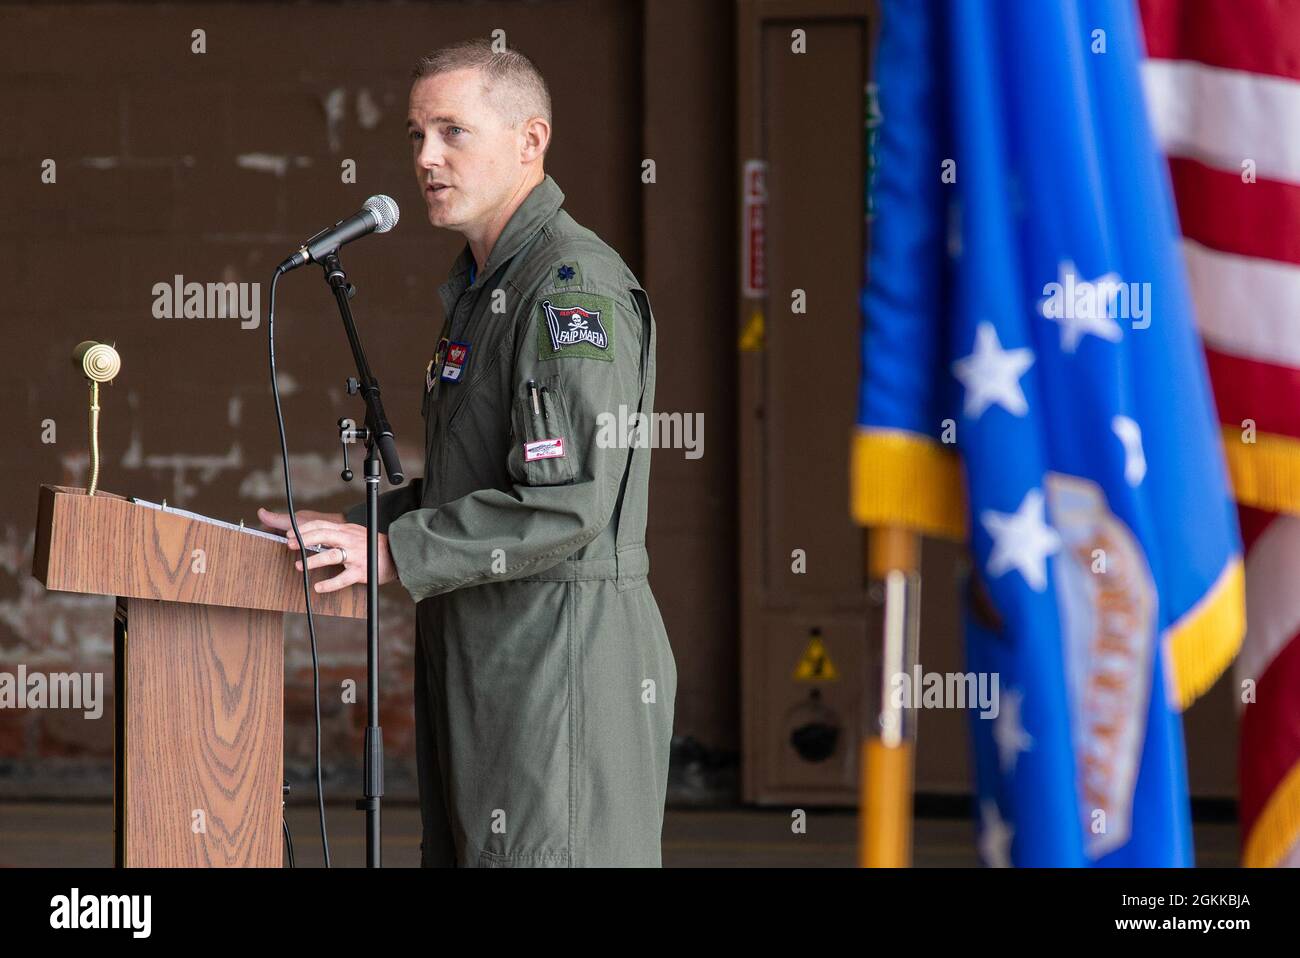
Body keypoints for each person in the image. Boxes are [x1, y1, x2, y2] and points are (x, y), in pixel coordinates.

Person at [259, 38, 676, 867]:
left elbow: (569, 501)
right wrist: (351, 529)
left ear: (531, 139)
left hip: (559, 659)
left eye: (453, 131)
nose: (426, 157)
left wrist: (390, 553)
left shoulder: (571, 289)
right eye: (416, 135)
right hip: (482, 654)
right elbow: (475, 481)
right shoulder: (486, 292)